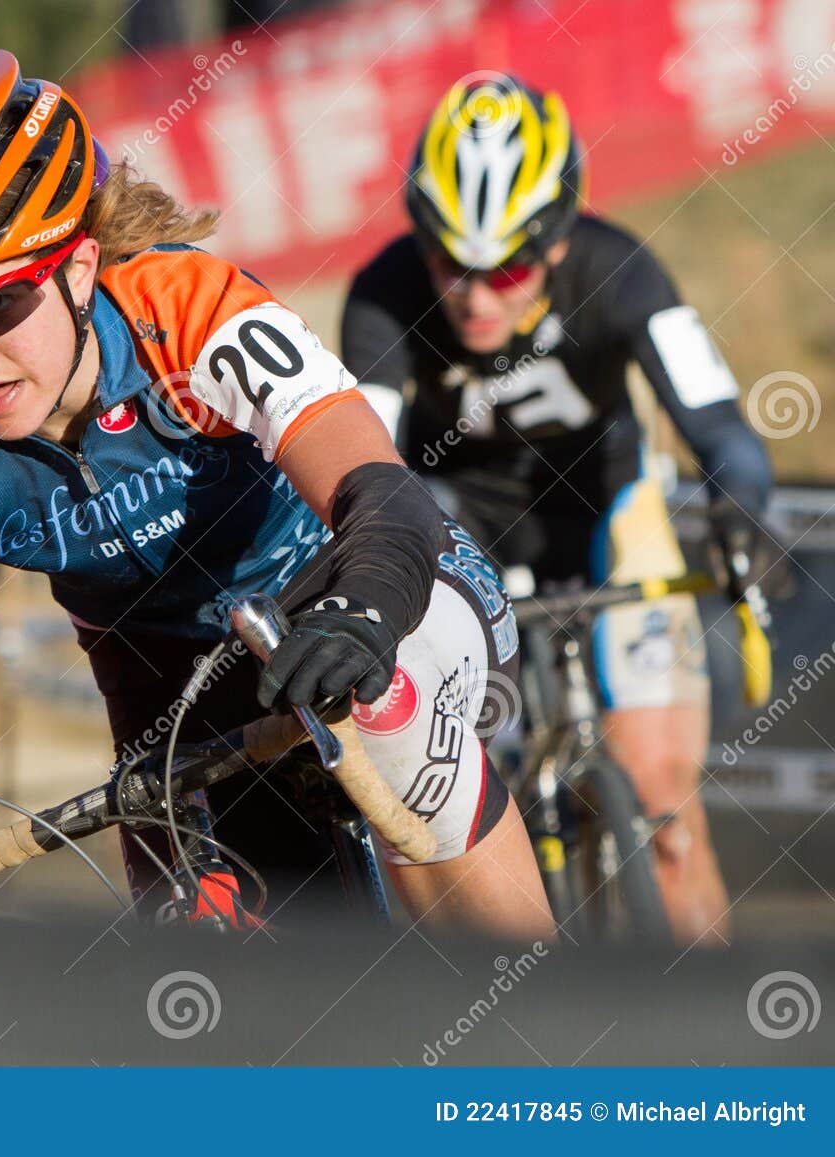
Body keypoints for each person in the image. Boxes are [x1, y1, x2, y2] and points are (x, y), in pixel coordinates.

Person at [0, 50, 555, 939]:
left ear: (77, 270)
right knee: (209, 967)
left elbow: (384, 499)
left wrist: (360, 611)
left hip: (370, 584)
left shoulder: (183, 306)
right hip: (170, 687)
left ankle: (553, 1039)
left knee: (389, 725)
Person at [340, 75, 784, 945]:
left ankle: (725, 1051)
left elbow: (723, 429)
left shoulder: (619, 269)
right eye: (449, 263)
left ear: (555, 243)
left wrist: (742, 507)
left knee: (662, 804)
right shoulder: (383, 293)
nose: (473, 295)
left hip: (609, 517)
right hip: (457, 533)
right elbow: (366, 459)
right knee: (439, 822)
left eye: (504, 267)